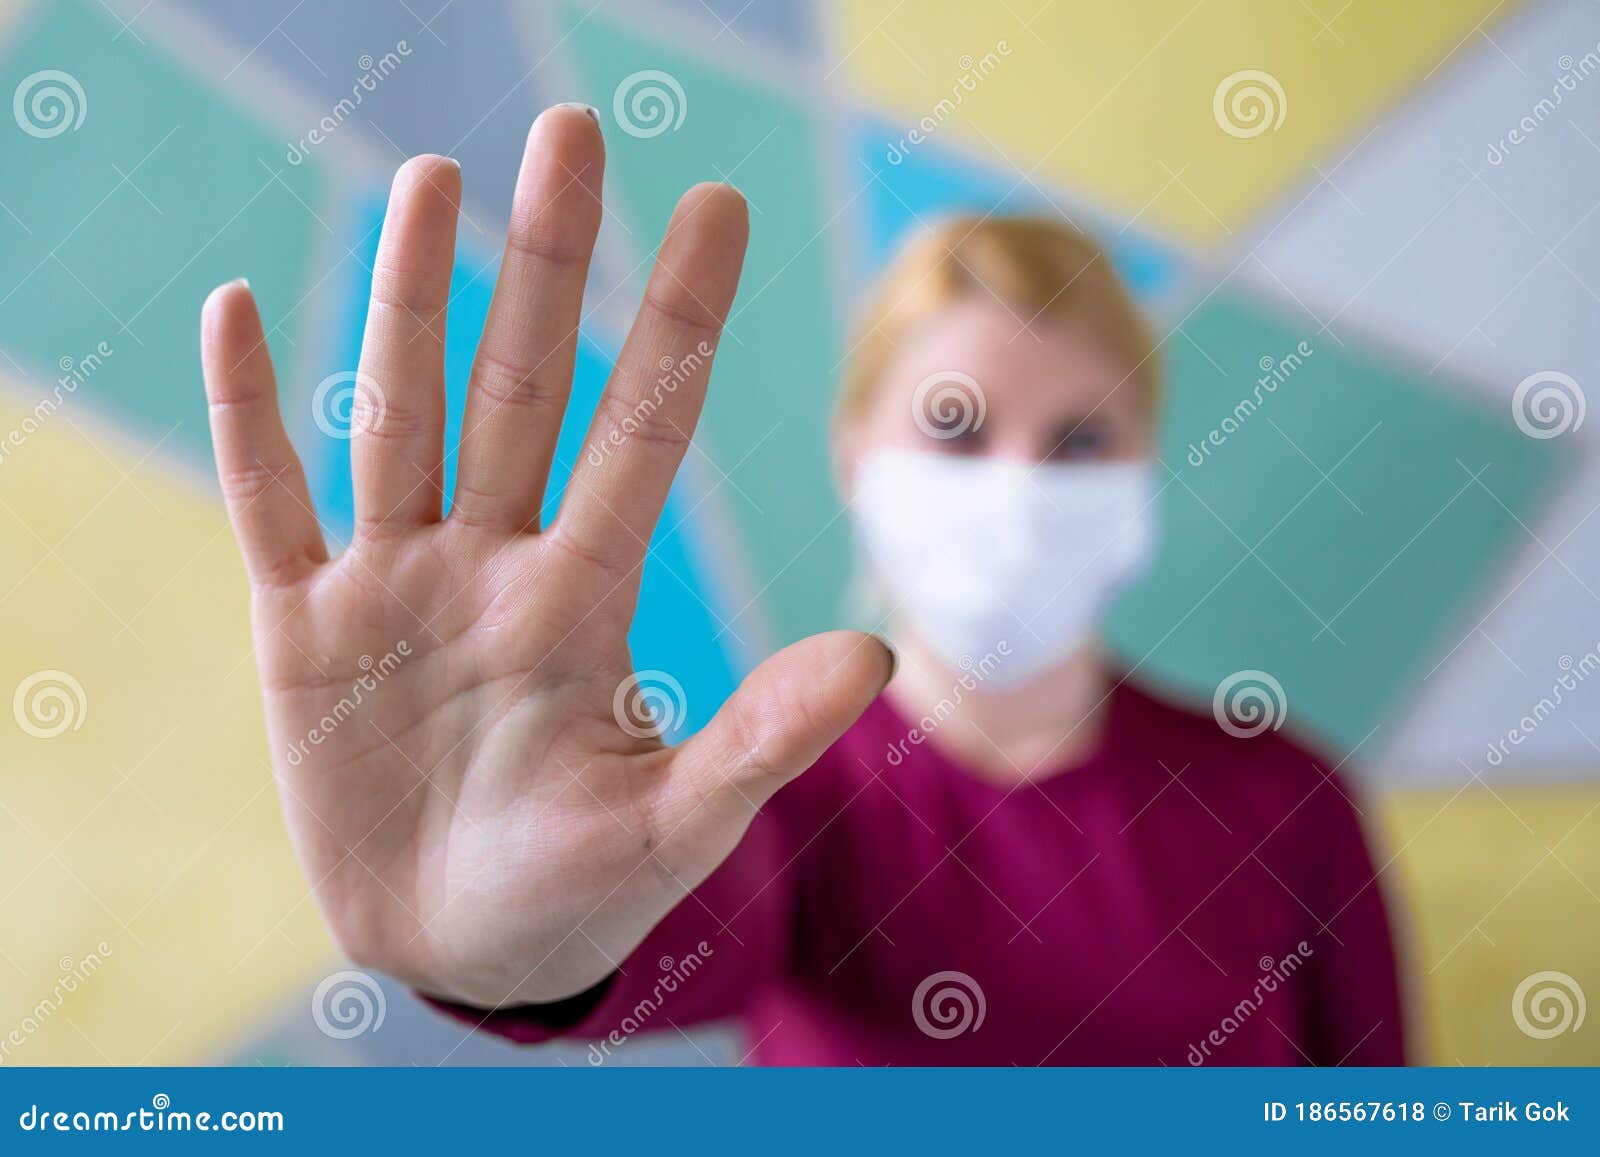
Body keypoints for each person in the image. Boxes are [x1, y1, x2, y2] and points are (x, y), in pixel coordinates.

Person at [200, 104, 1406, 1065]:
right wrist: (514, 945)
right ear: (854, 459)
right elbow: (672, 916)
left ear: (1141, 473)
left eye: (1078, 440)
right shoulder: (786, 802)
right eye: (955, 426)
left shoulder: (1287, 801)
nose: (1018, 484)